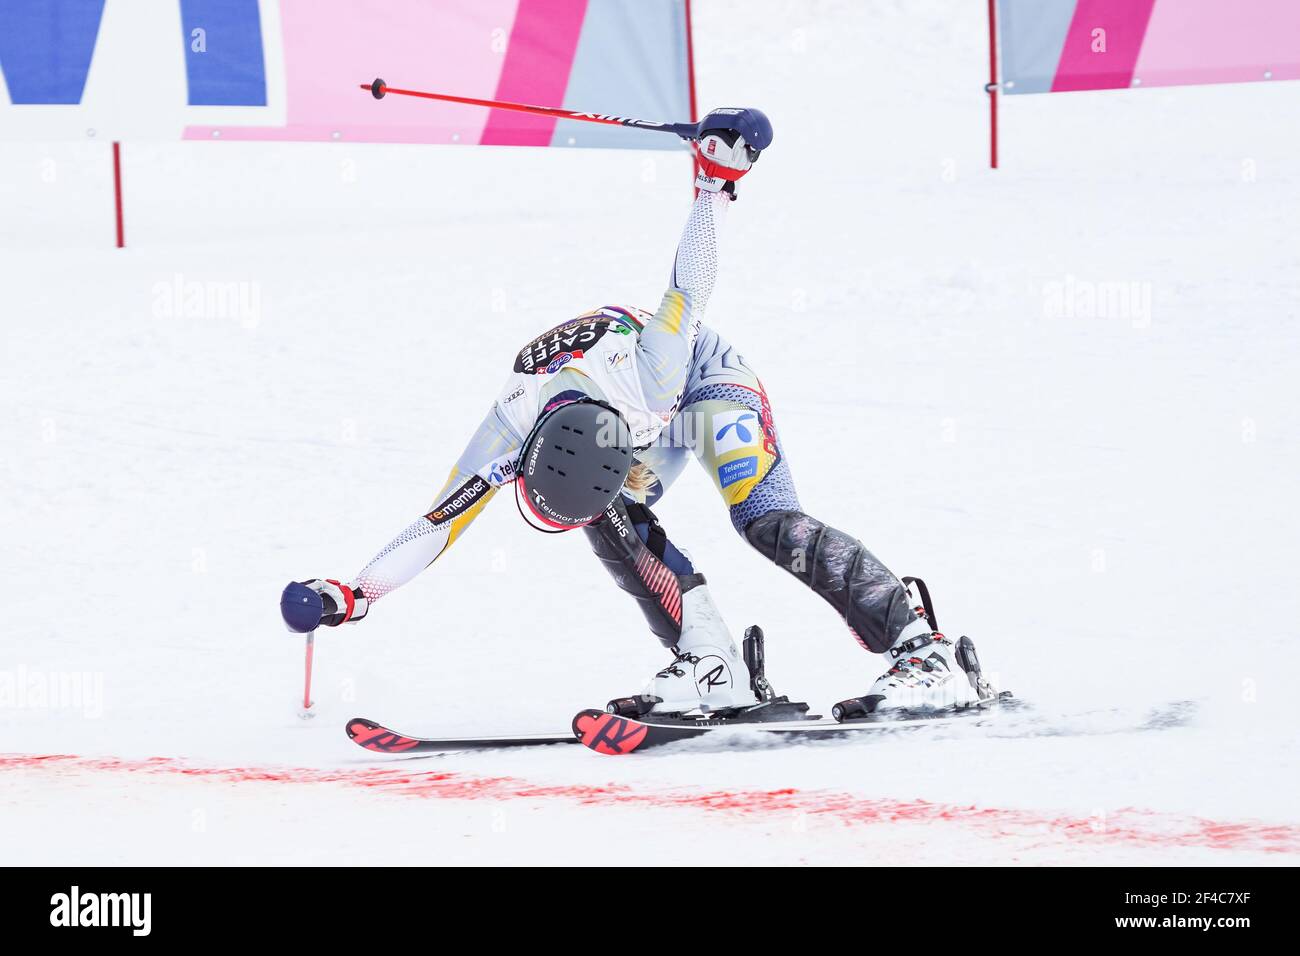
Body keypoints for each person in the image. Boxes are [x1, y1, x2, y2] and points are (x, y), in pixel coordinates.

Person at [281, 108, 994, 719]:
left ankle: (924, 653)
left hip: (703, 384)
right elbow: (440, 521)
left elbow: (690, 285)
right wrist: (355, 591)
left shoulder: (651, 377)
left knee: (764, 519)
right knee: (616, 515)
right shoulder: (509, 426)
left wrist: (716, 184)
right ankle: (710, 664)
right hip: (627, 413)